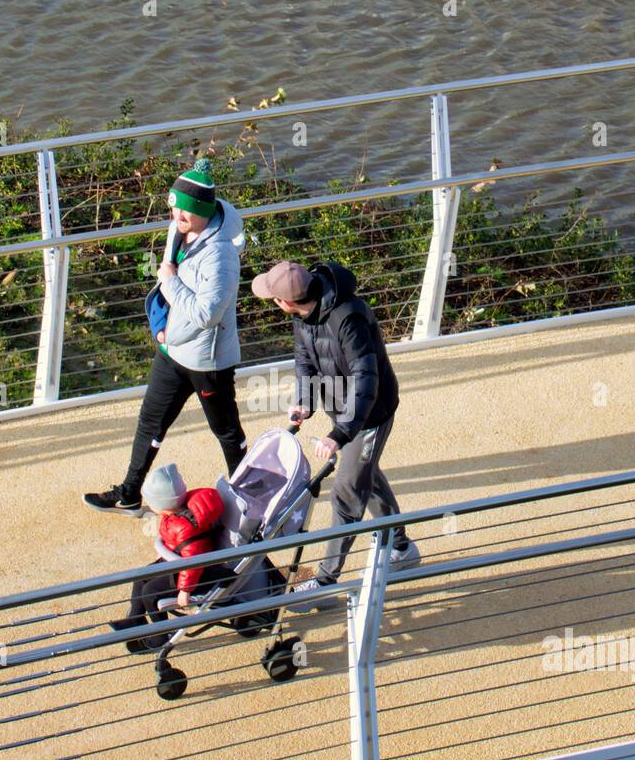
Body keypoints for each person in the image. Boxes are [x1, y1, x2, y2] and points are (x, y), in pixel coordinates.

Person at [251, 259, 420, 608]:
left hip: (368, 414)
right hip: (342, 410)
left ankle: (325, 582)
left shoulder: (349, 318)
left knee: (345, 493)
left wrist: (340, 434)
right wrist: (304, 402)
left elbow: (366, 380)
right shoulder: (304, 316)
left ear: (286, 301)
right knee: (365, 476)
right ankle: (402, 547)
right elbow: (305, 361)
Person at [85, 158, 249, 515]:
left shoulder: (220, 257)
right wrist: (161, 324)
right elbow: (169, 282)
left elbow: (208, 315)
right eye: (174, 209)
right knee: (150, 423)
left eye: (185, 212)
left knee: (226, 432)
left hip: (208, 362)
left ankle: (249, 498)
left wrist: (170, 281)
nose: (177, 218)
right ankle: (129, 493)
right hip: (172, 350)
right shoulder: (180, 229)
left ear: (203, 211)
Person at [110, 463, 233, 652]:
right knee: (140, 577)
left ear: (161, 505)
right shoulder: (178, 514)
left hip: (195, 574)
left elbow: (194, 562)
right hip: (177, 560)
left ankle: (161, 635)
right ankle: (135, 620)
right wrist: (164, 549)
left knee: (151, 592)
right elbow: (173, 540)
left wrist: (185, 590)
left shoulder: (186, 528)